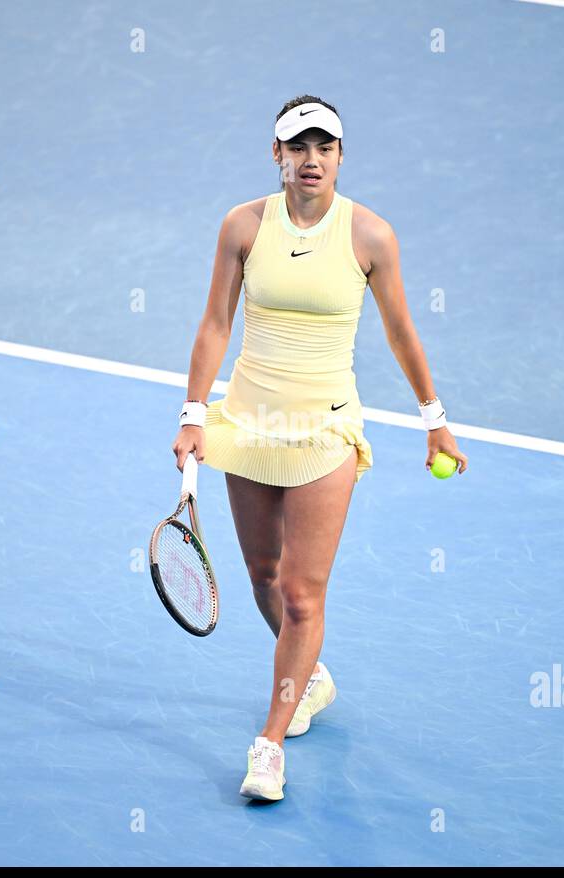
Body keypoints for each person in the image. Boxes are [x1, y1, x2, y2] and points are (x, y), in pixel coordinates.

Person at [171, 95, 467, 801]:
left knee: (304, 595)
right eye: (297, 148)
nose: (311, 160)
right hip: (246, 421)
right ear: (276, 154)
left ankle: (268, 744)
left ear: (340, 156)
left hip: (327, 429)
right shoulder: (242, 227)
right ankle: (310, 677)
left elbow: (400, 332)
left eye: (324, 148)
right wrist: (192, 413)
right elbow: (215, 323)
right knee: (264, 578)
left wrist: (436, 419)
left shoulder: (370, 237)